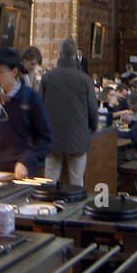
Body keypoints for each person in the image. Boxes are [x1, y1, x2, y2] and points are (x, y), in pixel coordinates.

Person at [0, 47, 53, 178]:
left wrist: (26, 161)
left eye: (0, 71)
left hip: (22, 173)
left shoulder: (30, 98)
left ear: (14, 71)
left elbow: (46, 139)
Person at [39, 38, 98, 187]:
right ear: (76, 55)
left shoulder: (47, 78)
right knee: (77, 181)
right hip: (78, 136)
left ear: (60, 54)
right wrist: (94, 126)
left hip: (52, 136)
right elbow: (92, 108)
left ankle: (49, 208)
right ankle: (76, 209)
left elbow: (39, 108)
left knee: (50, 182)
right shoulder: (85, 80)